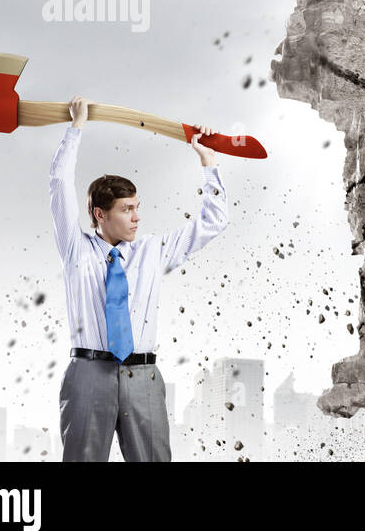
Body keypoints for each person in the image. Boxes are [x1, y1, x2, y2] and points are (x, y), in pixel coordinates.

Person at [50, 94, 230, 461]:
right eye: (127, 209)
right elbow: (59, 184)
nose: (136, 218)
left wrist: (208, 162)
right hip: (88, 374)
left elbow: (213, 222)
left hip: (144, 377)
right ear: (100, 214)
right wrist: (76, 128)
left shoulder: (152, 251)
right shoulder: (76, 250)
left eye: (137, 208)